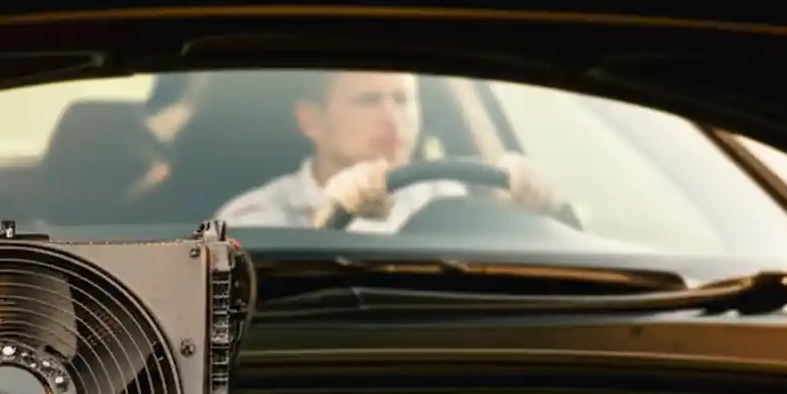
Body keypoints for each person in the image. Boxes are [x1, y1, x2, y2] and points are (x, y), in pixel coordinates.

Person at [214, 71, 568, 232]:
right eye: (368, 101)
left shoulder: (448, 196)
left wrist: (524, 212)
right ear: (311, 121)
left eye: (402, 100)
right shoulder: (255, 216)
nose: (392, 118)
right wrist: (328, 221)